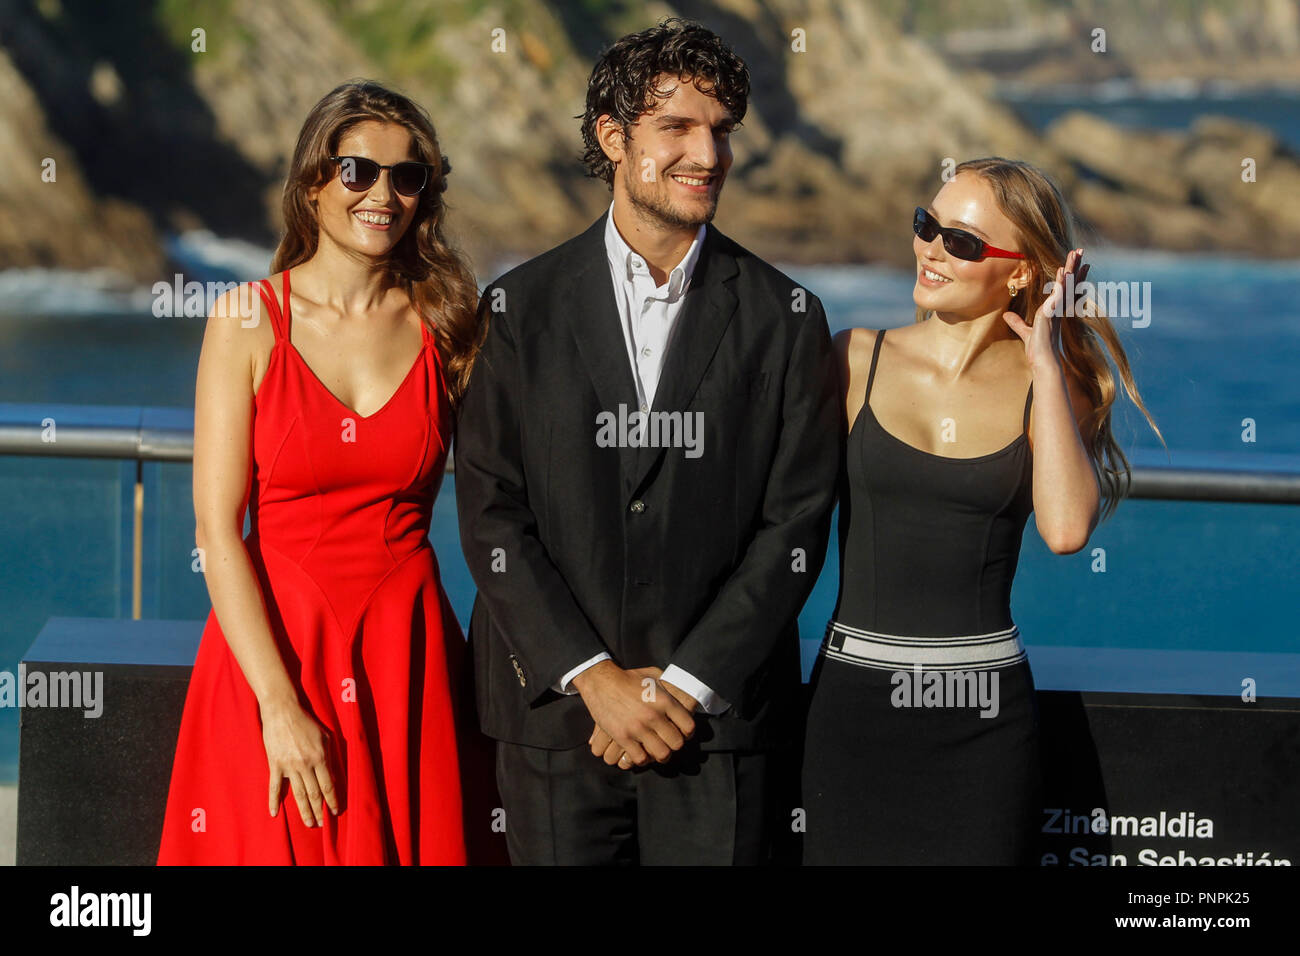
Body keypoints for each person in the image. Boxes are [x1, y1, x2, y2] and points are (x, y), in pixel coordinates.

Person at [454, 18, 840, 865]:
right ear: (613, 138)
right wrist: (593, 677)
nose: (708, 153)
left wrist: (684, 687)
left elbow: (797, 526)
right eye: (677, 126)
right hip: (557, 725)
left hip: (719, 730)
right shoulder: (519, 310)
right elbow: (490, 513)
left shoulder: (787, 318)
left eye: (721, 131)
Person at [801, 157, 1164, 865]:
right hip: (854, 710)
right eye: (925, 225)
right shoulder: (855, 359)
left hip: (984, 720)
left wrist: (1046, 362)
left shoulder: (1054, 392)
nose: (931, 249)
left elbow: (1065, 530)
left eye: (960, 241)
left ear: (1022, 272)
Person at [157, 80, 483, 865]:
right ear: (312, 180)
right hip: (276, 656)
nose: (383, 193)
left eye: (408, 177)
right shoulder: (246, 319)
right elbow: (216, 530)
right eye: (357, 170)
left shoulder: (447, 325)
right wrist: (278, 706)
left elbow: (524, 483)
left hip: (409, 659)